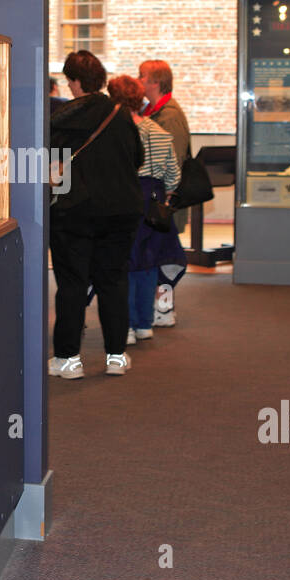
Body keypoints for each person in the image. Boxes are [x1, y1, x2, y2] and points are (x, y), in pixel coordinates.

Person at [49, 51, 144, 378]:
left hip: (73, 212)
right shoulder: (120, 113)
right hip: (120, 211)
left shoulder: (61, 118)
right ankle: (116, 356)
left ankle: (68, 360)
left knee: (72, 285)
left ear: (74, 81)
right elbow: (138, 159)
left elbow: (52, 168)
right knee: (114, 281)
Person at [107, 76, 183, 346]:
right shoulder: (159, 133)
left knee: (124, 264)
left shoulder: (113, 131)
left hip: (122, 201)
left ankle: (125, 325)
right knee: (149, 264)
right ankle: (143, 324)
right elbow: (174, 176)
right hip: (153, 203)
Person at [138, 60, 191, 328]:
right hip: (160, 197)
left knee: (164, 254)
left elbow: (175, 158)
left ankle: (164, 307)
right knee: (158, 252)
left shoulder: (168, 114)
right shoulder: (154, 111)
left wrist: (167, 196)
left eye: (142, 76)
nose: (139, 81)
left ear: (155, 82)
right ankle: (160, 306)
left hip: (164, 198)